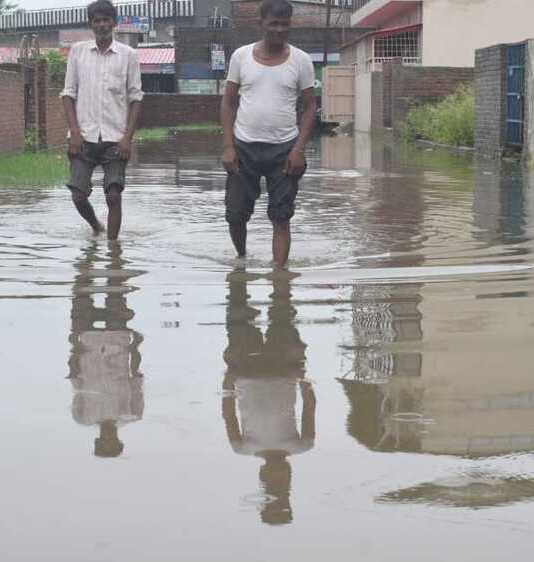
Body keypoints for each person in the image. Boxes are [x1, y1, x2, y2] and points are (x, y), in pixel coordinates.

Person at [220, 0, 318, 268]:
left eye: (284, 24)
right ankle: (241, 259)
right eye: (273, 23)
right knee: (235, 215)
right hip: (243, 147)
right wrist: (228, 146)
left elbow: (310, 106)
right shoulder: (241, 56)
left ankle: (279, 277)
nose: (279, 30)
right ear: (260, 24)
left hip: (284, 150)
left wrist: (298, 150)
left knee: (281, 216)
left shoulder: (301, 60)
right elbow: (228, 103)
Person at [221, 270, 315, 524]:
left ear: (262, 477)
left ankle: (238, 276)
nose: (279, 476)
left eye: (274, 481)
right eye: (282, 482)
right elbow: (309, 408)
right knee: (283, 314)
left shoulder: (242, 448)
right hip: (284, 367)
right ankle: (280, 277)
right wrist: (302, 379)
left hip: (245, 369)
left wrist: (228, 381)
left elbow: (228, 414)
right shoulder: (303, 445)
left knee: (238, 316)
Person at [61, 0, 143, 240]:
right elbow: (68, 94)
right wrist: (74, 132)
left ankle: (113, 250)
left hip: (115, 138)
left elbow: (136, 99)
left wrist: (127, 138)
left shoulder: (128, 55)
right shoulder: (78, 51)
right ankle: (97, 226)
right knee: (78, 196)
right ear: (91, 24)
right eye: (97, 20)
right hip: (83, 138)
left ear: (114, 23)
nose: (102, 24)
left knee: (113, 196)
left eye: (106, 20)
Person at [67, 243, 144, 458]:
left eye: (104, 441)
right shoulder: (132, 414)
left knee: (81, 289)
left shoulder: (82, 417)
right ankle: (112, 254)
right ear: (118, 439)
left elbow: (75, 377)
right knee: (116, 288)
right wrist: (136, 345)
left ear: (98, 439)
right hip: (119, 343)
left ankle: (88, 255)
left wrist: (73, 343)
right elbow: (137, 377)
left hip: (87, 345)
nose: (107, 437)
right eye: (111, 441)